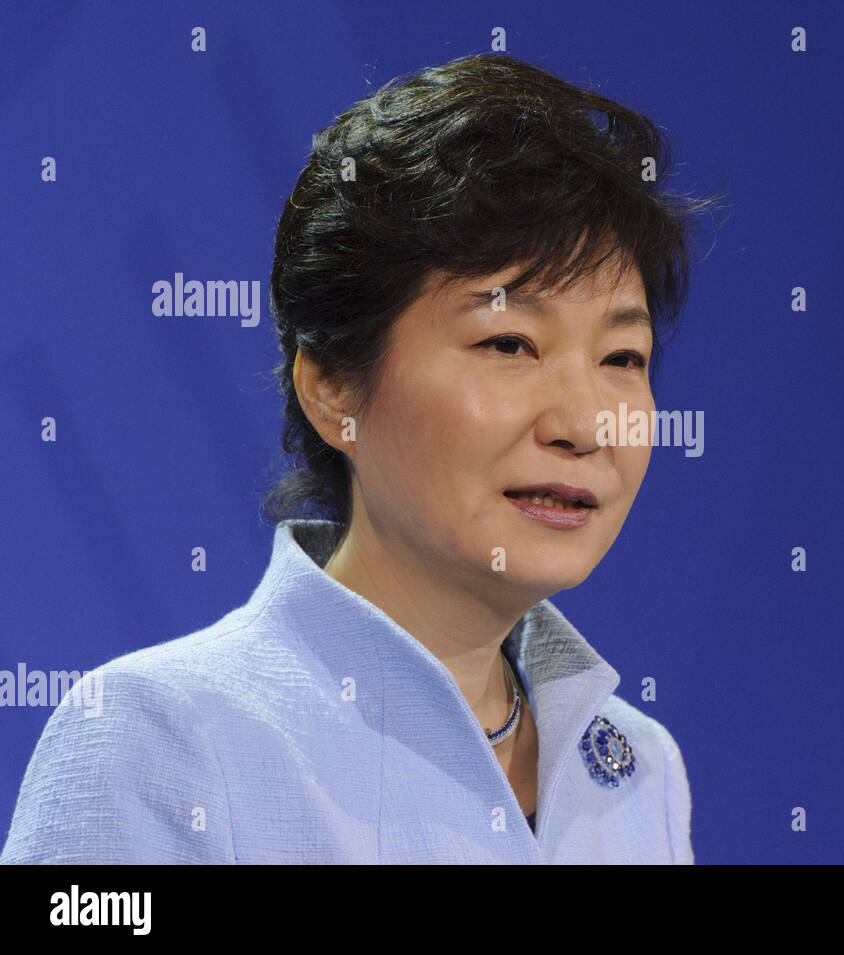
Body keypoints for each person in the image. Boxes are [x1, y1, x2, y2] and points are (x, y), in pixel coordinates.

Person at [0, 53, 722, 863]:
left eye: (623, 358)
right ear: (334, 387)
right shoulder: (162, 740)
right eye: (510, 342)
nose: (586, 423)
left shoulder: (635, 766)